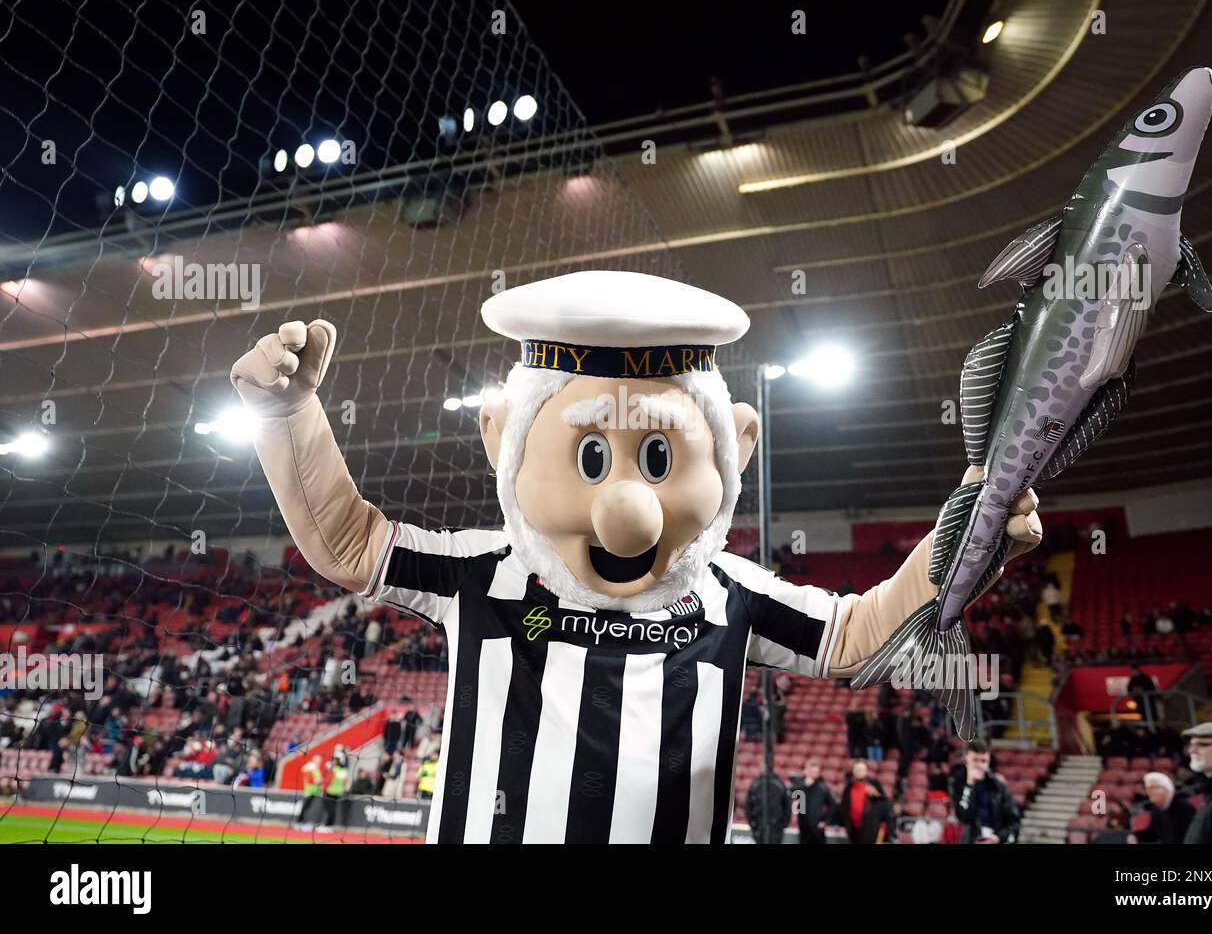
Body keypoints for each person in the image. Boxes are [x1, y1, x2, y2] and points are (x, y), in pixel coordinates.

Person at [228, 273, 1042, 844]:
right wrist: (286, 415)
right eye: (590, 457)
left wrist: (965, 541)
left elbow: (858, 631)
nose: (626, 507)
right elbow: (350, 544)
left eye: (659, 456)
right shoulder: (484, 573)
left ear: (737, 450)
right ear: (500, 438)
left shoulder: (728, 596)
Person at [951, 740, 1019, 844]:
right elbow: (964, 817)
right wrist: (970, 784)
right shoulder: (958, 783)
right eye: (975, 760)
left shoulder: (998, 786)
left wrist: (998, 838)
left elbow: (1013, 821)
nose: (980, 765)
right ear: (965, 760)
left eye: (984, 761)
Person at [1134, 772, 1195, 844]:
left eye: (1152, 788)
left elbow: (1192, 835)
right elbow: (1153, 833)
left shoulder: (1184, 808)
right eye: (1147, 788)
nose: (1148, 792)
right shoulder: (1156, 809)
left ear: (1166, 789)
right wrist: (1136, 837)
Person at [841, 760, 891, 844]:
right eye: (856, 769)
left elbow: (885, 803)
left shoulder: (874, 784)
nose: (858, 772)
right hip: (853, 829)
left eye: (861, 769)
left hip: (870, 829)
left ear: (866, 771)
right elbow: (844, 806)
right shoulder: (849, 787)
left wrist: (876, 794)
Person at [790, 758, 837, 844]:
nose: (814, 774)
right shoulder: (800, 784)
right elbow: (793, 794)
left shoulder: (822, 787)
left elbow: (833, 805)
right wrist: (804, 784)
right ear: (806, 771)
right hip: (803, 827)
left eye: (816, 772)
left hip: (817, 828)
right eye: (812, 771)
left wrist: (826, 821)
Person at [296, 754, 325, 830]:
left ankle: (305, 823)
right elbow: (310, 780)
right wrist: (318, 781)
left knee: (311, 808)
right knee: (306, 808)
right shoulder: (310, 768)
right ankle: (300, 822)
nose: (320, 761)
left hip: (315, 792)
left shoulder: (316, 769)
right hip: (309, 792)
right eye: (318, 760)